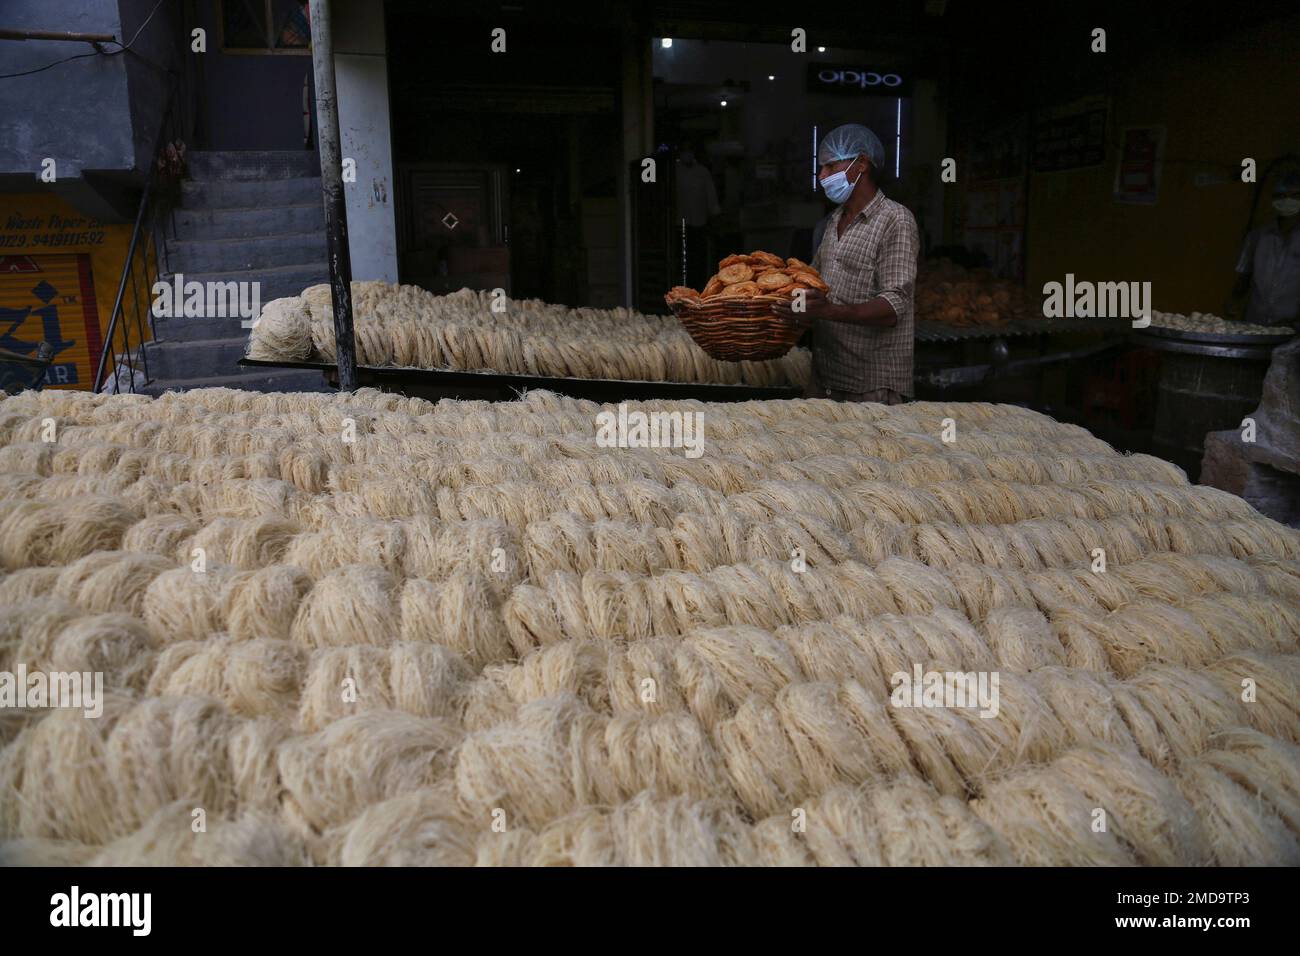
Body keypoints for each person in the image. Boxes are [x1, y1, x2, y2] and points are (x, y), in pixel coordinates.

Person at [774, 123, 919, 404]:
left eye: (829, 166)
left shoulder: (895, 220)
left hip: (871, 384)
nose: (822, 176)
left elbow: (893, 308)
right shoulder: (831, 223)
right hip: (826, 378)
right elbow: (812, 285)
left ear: (861, 163)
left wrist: (827, 311)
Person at [1227, 171, 1300, 328]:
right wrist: (1234, 303)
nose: (1288, 200)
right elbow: (1244, 277)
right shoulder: (1258, 236)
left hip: (1293, 327)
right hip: (1255, 323)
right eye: (1281, 195)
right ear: (1273, 199)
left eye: (1295, 195)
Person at [675, 144, 720, 291]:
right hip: (680, 223)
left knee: (698, 260)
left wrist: (714, 216)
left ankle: (698, 289)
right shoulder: (676, 172)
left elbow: (711, 196)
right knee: (682, 261)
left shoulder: (702, 172)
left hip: (700, 223)